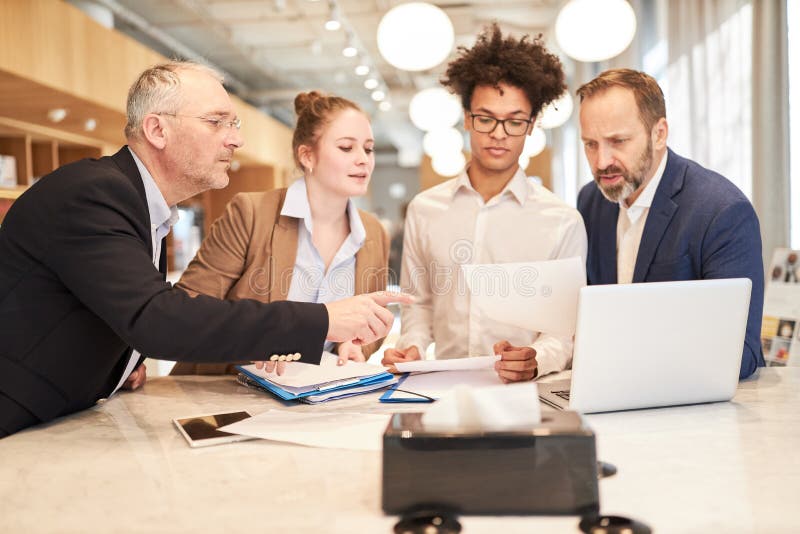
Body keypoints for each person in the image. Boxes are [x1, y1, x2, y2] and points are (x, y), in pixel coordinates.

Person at [0, 61, 408, 437]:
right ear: (157, 130)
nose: (236, 139)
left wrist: (123, 363)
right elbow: (160, 317)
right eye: (217, 122)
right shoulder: (96, 194)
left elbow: (120, 307)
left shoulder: (145, 207)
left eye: (234, 123)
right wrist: (322, 320)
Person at [382, 24, 588, 382]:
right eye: (486, 118)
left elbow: (564, 330)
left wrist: (534, 358)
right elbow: (420, 304)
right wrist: (412, 344)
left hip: (524, 393)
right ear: (466, 118)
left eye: (514, 122)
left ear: (532, 125)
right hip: (442, 389)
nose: (498, 133)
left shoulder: (562, 220)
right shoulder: (424, 209)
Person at [170, 90, 389, 375]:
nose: (363, 160)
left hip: (317, 400)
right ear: (307, 155)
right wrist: (265, 337)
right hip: (226, 393)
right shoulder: (252, 213)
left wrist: (356, 344)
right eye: (347, 148)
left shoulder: (373, 232)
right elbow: (187, 310)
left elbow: (371, 319)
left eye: (368, 149)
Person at [575, 68, 764, 379]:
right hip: (609, 394)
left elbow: (741, 353)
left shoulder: (722, 211)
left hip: (694, 413)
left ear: (659, 133)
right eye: (590, 144)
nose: (601, 161)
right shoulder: (590, 202)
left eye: (618, 141)